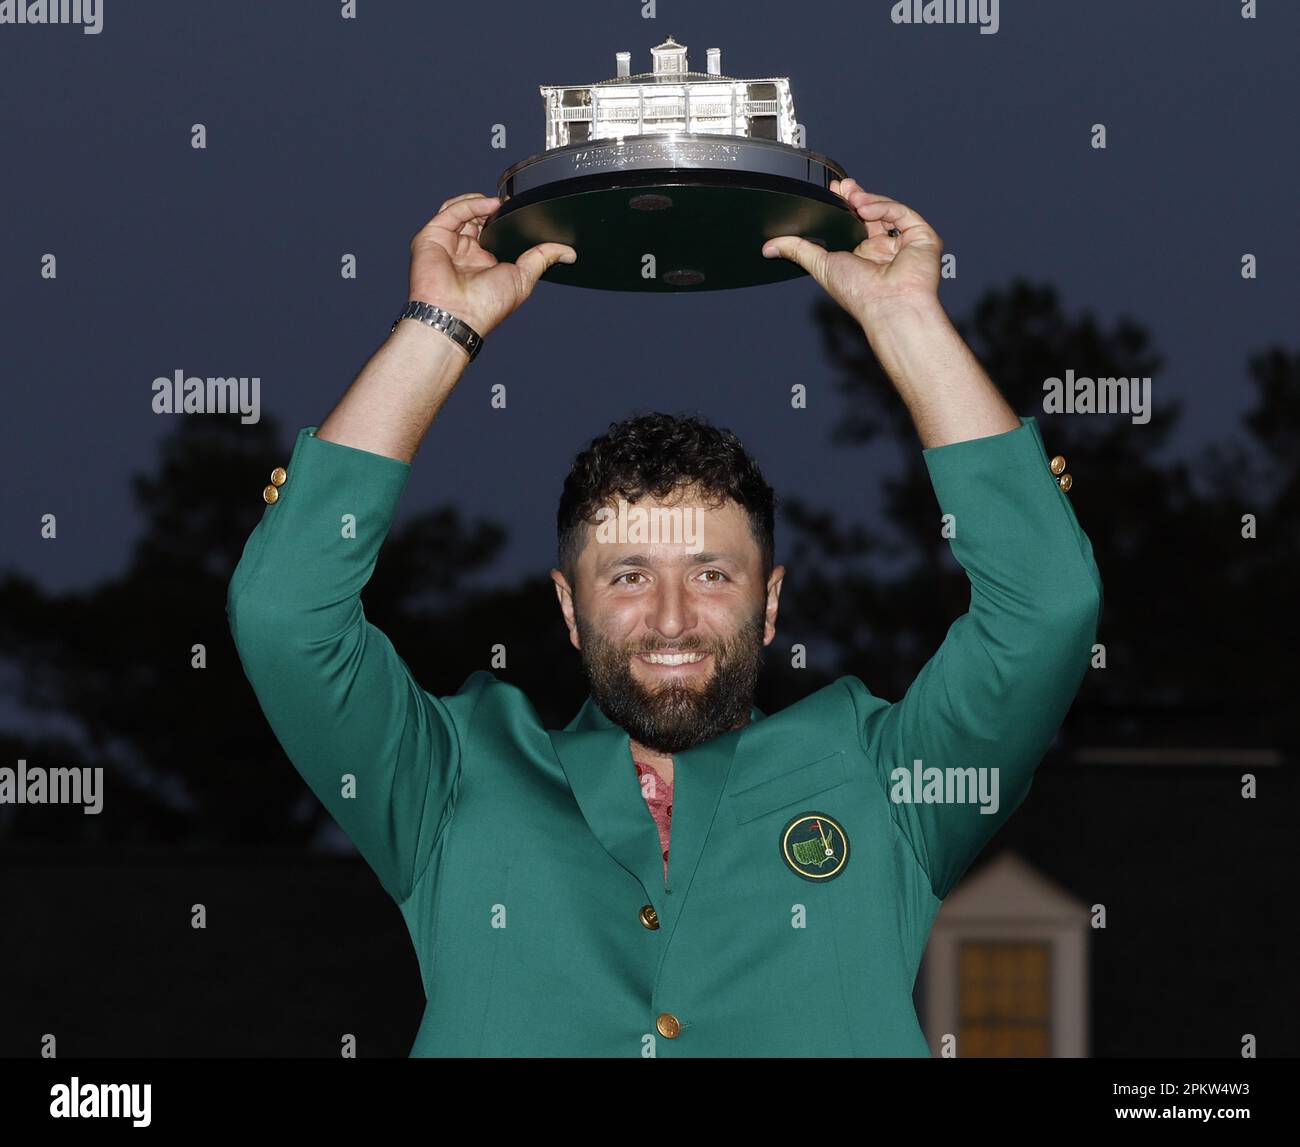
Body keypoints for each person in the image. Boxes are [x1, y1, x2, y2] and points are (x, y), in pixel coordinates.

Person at [226, 179, 1102, 1057]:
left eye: (713, 573)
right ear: (569, 606)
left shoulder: (884, 780)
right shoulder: (449, 780)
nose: (672, 618)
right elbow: (283, 613)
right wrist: (438, 328)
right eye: (631, 574)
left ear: (770, 604)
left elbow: (1046, 608)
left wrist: (906, 317)